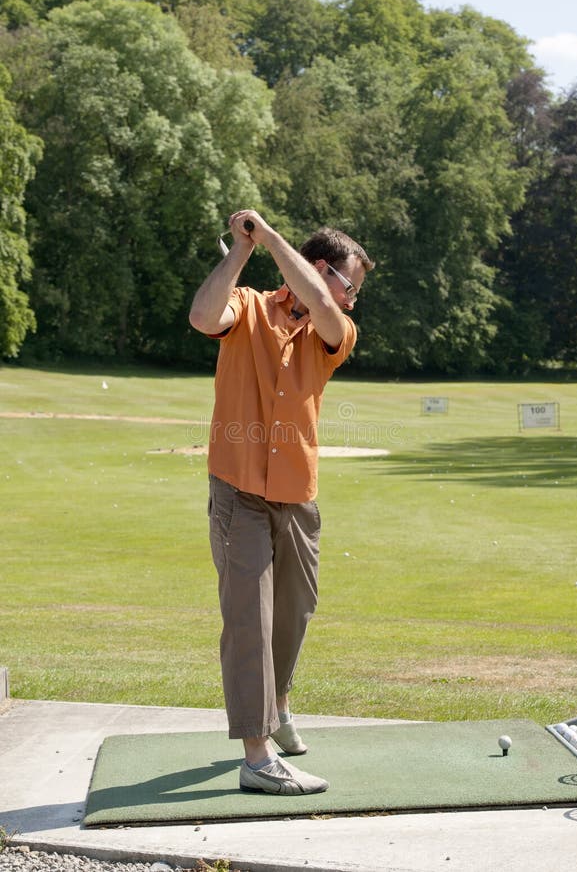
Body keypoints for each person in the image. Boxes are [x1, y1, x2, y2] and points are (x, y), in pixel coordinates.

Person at [189, 209, 374, 795]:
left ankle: (281, 707)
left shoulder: (335, 328)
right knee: (250, 618)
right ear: (323, 269)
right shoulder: (245, 306)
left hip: (296, 497)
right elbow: (201, 316)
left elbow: (321, 307)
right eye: (350, 286)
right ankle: (256, 754)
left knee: (293, 612)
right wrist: (242, 249)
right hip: (237, 493)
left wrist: (270, 236)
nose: (350, 301)